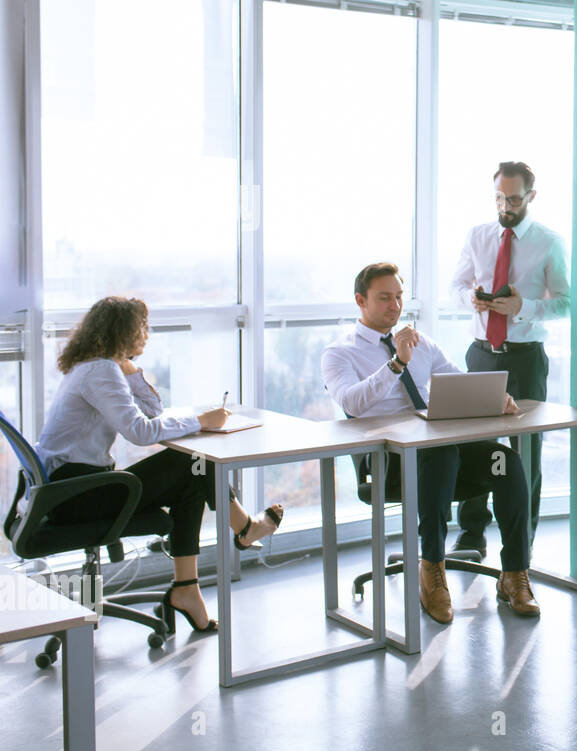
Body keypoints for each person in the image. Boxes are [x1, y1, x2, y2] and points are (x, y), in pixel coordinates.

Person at [35, 297, 284, 635]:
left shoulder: (99, 366)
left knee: (193, 474)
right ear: (121, 330)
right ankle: (242, 529)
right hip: (77, 493)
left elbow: (153, 412)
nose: (147, 335)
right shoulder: (100, 371)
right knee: (193, 459)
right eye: (142, 327)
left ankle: (188, 587)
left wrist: (134, 372)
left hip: (73, 490)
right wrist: (200, 421)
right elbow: (140, 431)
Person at [322, 262, 539, 624]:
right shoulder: (340, 353)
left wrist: (494, 399)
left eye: (399, 297)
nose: (395, 306)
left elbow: (459, 381)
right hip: (390, 464)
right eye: (384, 298)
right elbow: (352, 403)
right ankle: (432, 569)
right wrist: (395, 364)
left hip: (443, 454)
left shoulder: (422, 344)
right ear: (360, 300)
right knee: (440, 454)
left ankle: (515, 573)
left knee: (505, 459)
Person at [448, 161, 570, 554]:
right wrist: (470, 299)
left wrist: (523, 307)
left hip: (524, 358)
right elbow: (455, 287)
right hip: (481, 354)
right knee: (473, 445)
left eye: (513, 198)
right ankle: (472, 533)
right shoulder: (478, 235)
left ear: (530, 196)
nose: (505, 205)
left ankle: (522, 544)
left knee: (524, 454)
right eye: (499, 197)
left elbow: (567, 302)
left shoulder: (548, 242)